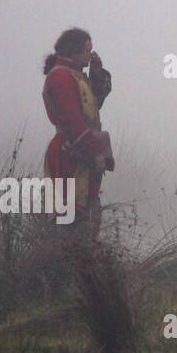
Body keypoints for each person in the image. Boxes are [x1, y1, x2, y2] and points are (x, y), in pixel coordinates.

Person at [41, 27, 114, 238]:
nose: (89, 55)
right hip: (70, 152)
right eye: (86, 50)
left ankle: (82, 263)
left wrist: (97, 74)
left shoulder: (75, 75)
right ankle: (69, 265)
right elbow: (72, 121)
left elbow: (92, 107)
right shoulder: (61, 77)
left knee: (86, 214)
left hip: (80, 152)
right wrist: (96, 152)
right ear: (74, 50)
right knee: (71, 217)